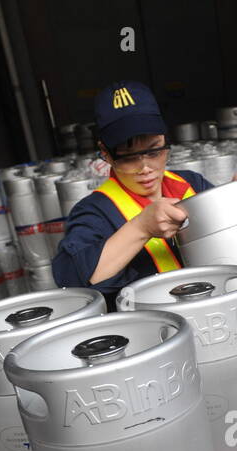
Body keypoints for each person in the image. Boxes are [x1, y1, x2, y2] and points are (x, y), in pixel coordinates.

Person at [51, 81, 213, 304]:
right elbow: (74, 282)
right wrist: (141, 227)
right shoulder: (95, 212)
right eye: (128, 157)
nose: (145, 167)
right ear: (106, 154)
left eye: (154, 150)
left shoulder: (191, 184)